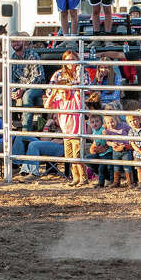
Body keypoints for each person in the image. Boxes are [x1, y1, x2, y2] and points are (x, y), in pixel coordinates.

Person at [48, 54, 87, 187]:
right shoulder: (59, 101)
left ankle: (83, 177)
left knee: (77, 156)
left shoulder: (75, 98)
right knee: (70, 156)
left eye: (66, 91)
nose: (65, 93)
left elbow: (79, 88)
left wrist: (77, 72)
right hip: (66, 133)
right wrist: (54, 93)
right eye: (62, 92)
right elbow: (47, 105)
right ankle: (75, 177)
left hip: (77, 132)